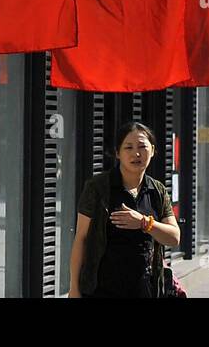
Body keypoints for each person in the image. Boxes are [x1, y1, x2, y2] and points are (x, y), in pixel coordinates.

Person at [70, 122, 180, 298]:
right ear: (117, 153)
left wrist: (144, 223)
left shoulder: (157, 190)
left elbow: (174, 237)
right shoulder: (98, 188)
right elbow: (81, 239)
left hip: (144, 288)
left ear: (152, 150)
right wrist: (74, 288)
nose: (136, 153)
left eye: (143, 147)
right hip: (102, 288)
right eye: (128, 147)